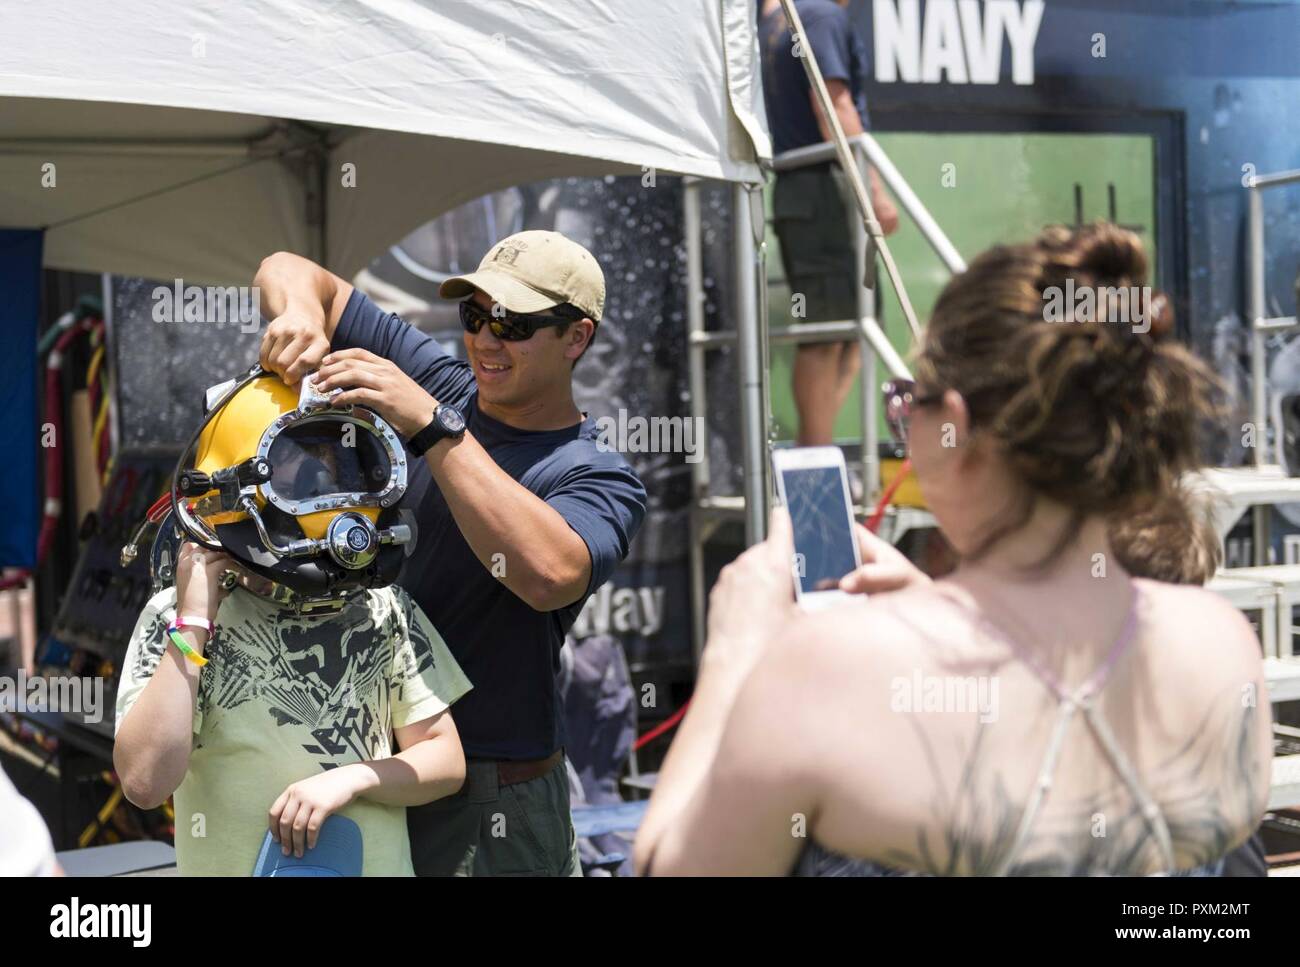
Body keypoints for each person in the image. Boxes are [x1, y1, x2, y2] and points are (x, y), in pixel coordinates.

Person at [635, 223, 1273, 876]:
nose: (904, 426)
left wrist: (733, 655)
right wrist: (938, 604)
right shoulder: (1223, 642)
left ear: (957, 425)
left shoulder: (826, 669)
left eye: (909, 403)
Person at [255, 230, 647, 876]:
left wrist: (433, 425)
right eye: (475, 314)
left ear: (576, 338)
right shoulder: (445, 384)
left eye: (515, 323)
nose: (487, 339)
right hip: (376, 773)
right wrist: (299, 314)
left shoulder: (597, 476)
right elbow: (289, 266)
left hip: (490, 810)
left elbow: (548, 574)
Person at [114, 371, 472, 876]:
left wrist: (350, 780)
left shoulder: (383, 609)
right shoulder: (174, 617)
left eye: (344, 467)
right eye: (300, 475)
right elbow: (145, 783)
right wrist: (194, 622)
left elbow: (446, 764)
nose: (331, 490)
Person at [760, 0, 900, 449]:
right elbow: (833, 106)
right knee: (827, 335)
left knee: (851, 330)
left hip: (805, 190)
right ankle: (814, 460)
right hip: (826, 191)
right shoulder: (821, 15)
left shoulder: (774, 20)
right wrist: (874, 192)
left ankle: (815, 452)